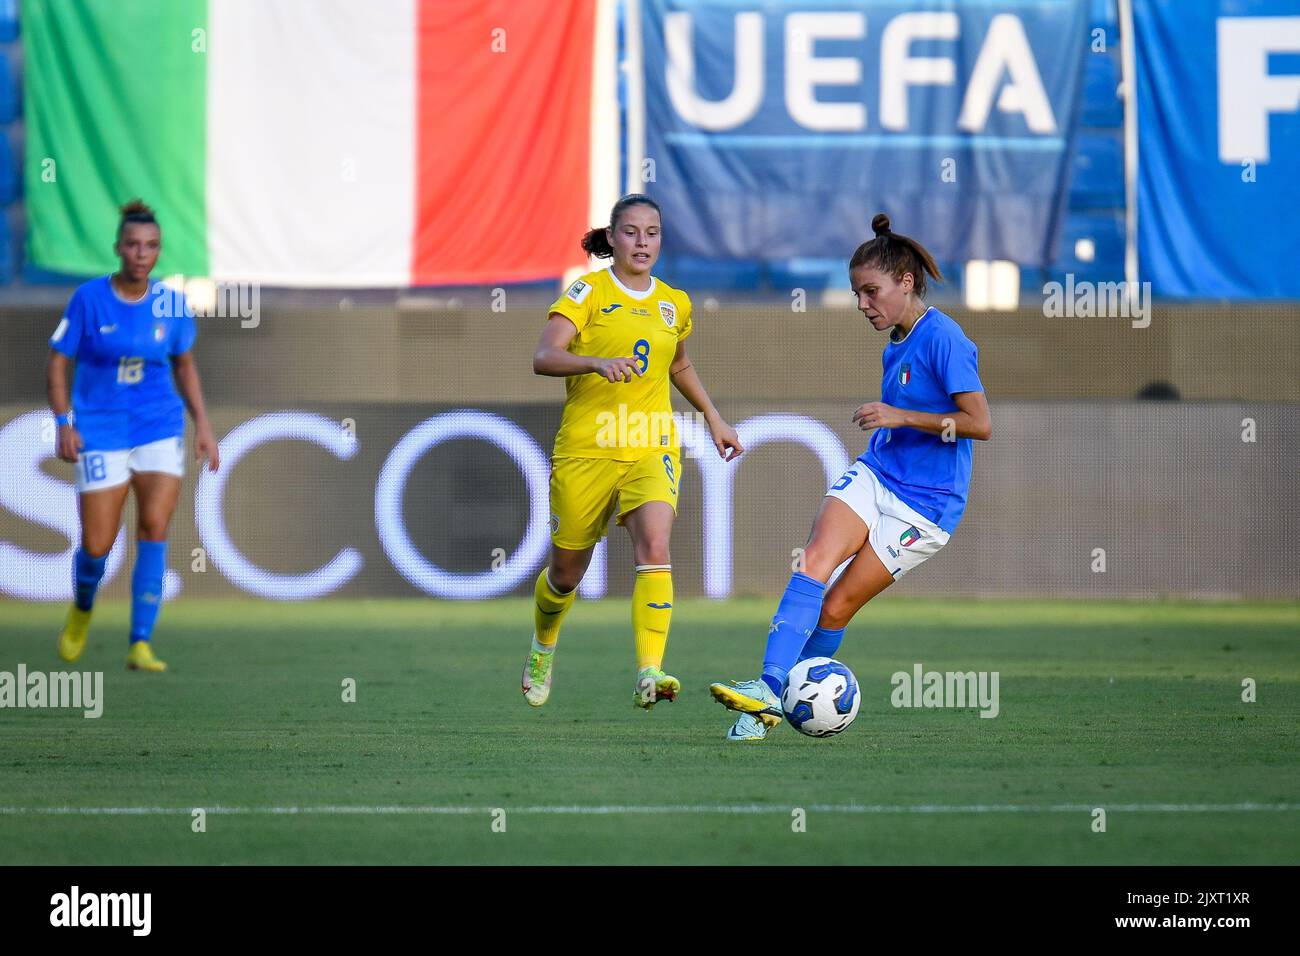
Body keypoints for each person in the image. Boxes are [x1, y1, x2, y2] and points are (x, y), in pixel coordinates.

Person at [709, 213, 992, 740]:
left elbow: (980, 424)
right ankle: (766, 693)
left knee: (836, 607)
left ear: (905, 283)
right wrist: (894, 424)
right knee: (815, 559)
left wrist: (901, 416)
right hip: (878, 472)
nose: (863, 304)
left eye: (870, 291)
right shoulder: (896, 340)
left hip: (926, 508)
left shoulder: (945, 338)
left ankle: (769, 707)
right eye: (857, 293)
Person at [525, 193, 743, 709]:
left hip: (652, 443)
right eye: (631, 232)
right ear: (613, 237)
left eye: (652, 232)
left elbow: (679, 365)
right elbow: (543, 356)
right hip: (588, 447)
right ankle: (543, 644)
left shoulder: (675, 302)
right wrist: (595, 362)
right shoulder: (588, 292)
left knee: (655, 545)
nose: (642, 242)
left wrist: (713, 417)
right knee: (566, 573)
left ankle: (650, 670)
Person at [47, 199, 220, 672]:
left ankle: (140, 641)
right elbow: (59, 361)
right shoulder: (89, 299)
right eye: (134, 245)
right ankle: (83, 608)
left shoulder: (172, 303)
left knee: (155, 528)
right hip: (100, 430)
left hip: (159, 426)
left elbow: (184, 365)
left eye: (152, 246)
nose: (143, 253)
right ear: (118, 248)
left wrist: (202, 425)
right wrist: (64, 422)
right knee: (98, 543)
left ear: (158, 251)